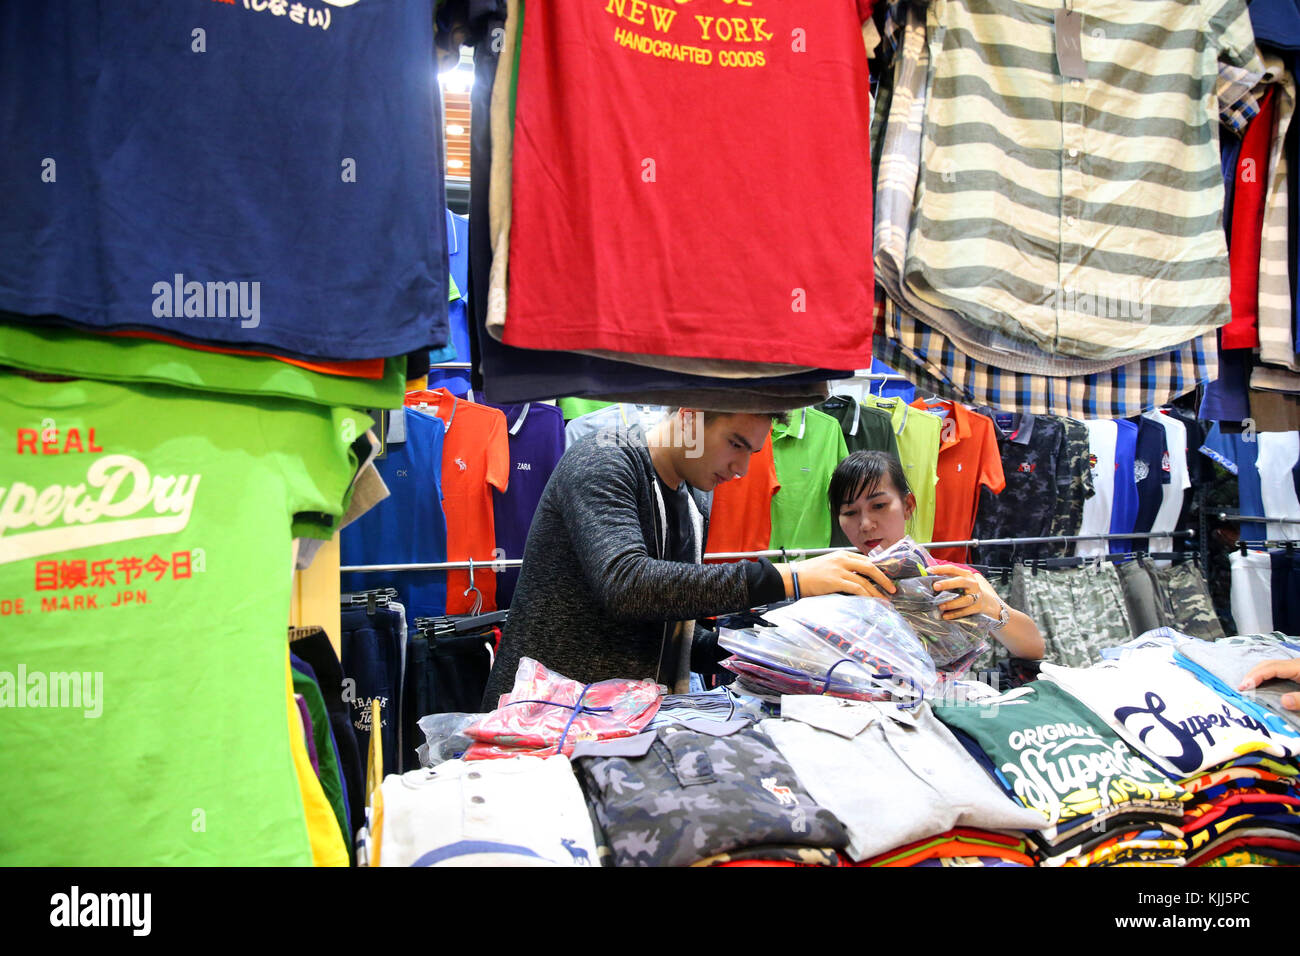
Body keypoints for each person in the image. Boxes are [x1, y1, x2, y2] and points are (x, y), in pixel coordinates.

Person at [481, 407, 898, 705]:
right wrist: (789, 578)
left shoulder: (693, 499)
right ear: (690, 416)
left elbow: (668, 626)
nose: (740, 468)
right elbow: (628, 585)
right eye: (735, 444)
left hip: (618, 721)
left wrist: (763, 655)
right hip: (543, 715)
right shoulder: (605, 458)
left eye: (751, 453)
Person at [829, 450, 1046, 660]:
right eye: (850, 513)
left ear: (908, 506)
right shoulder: (836, 580)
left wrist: (990, 607)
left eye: (879, 505)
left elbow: (1033, 648)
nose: (865, 524)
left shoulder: (951, 579)